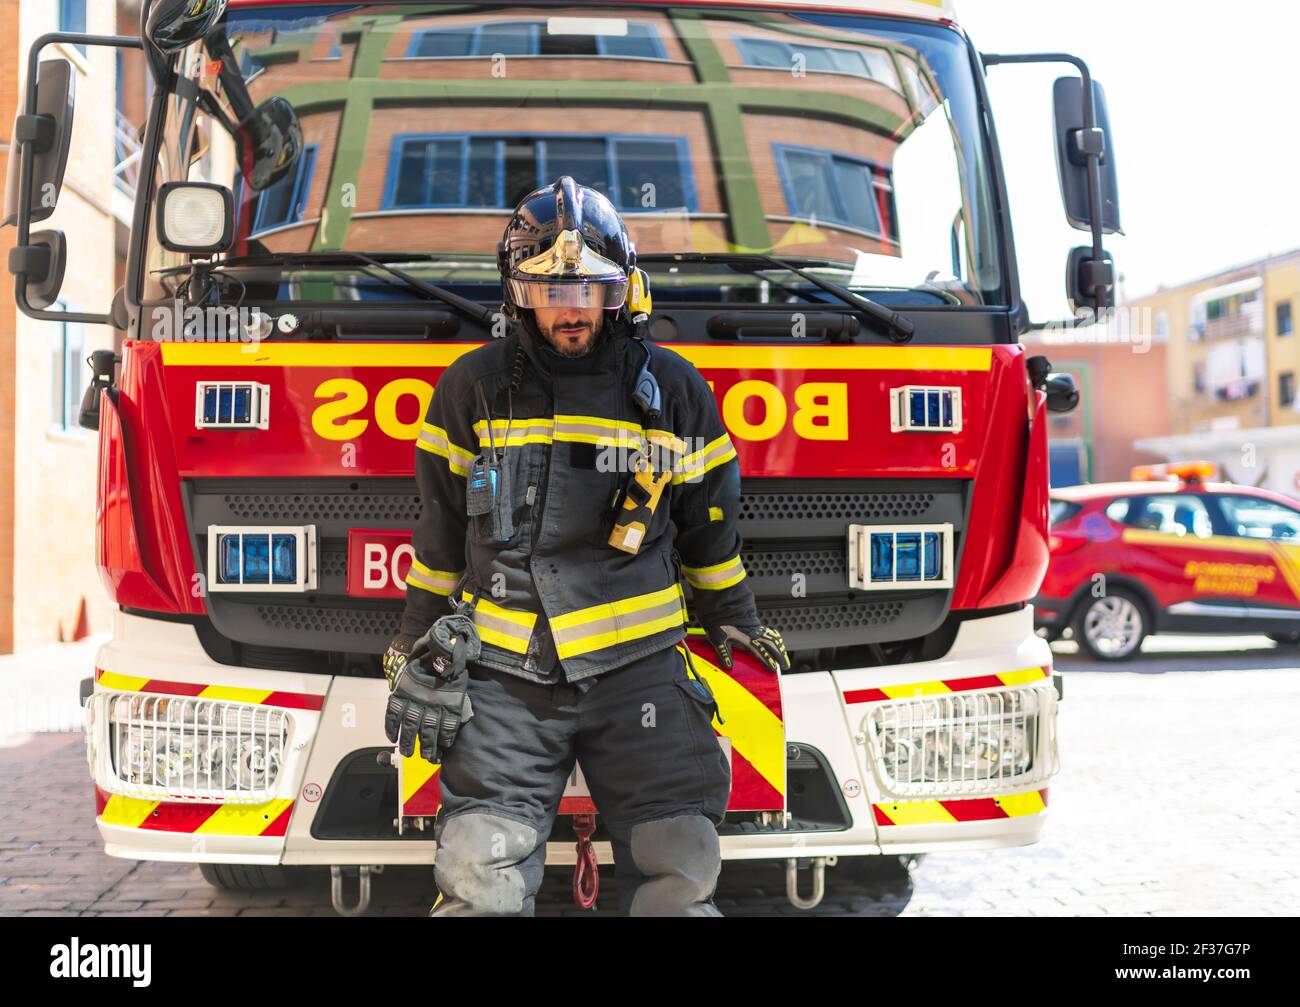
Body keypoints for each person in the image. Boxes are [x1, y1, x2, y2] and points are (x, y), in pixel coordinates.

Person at [381, 176, 790, 917]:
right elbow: (440, 533)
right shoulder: (469, 389)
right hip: (505, 679)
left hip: (640, 675)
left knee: (682, 863)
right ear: (517, 296)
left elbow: (711, 528)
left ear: (621, 291)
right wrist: (414, 637)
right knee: (477, 874)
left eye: (590, 291)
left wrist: (734, 614)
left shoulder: (675, 391)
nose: (570, 311)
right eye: (548, 292)